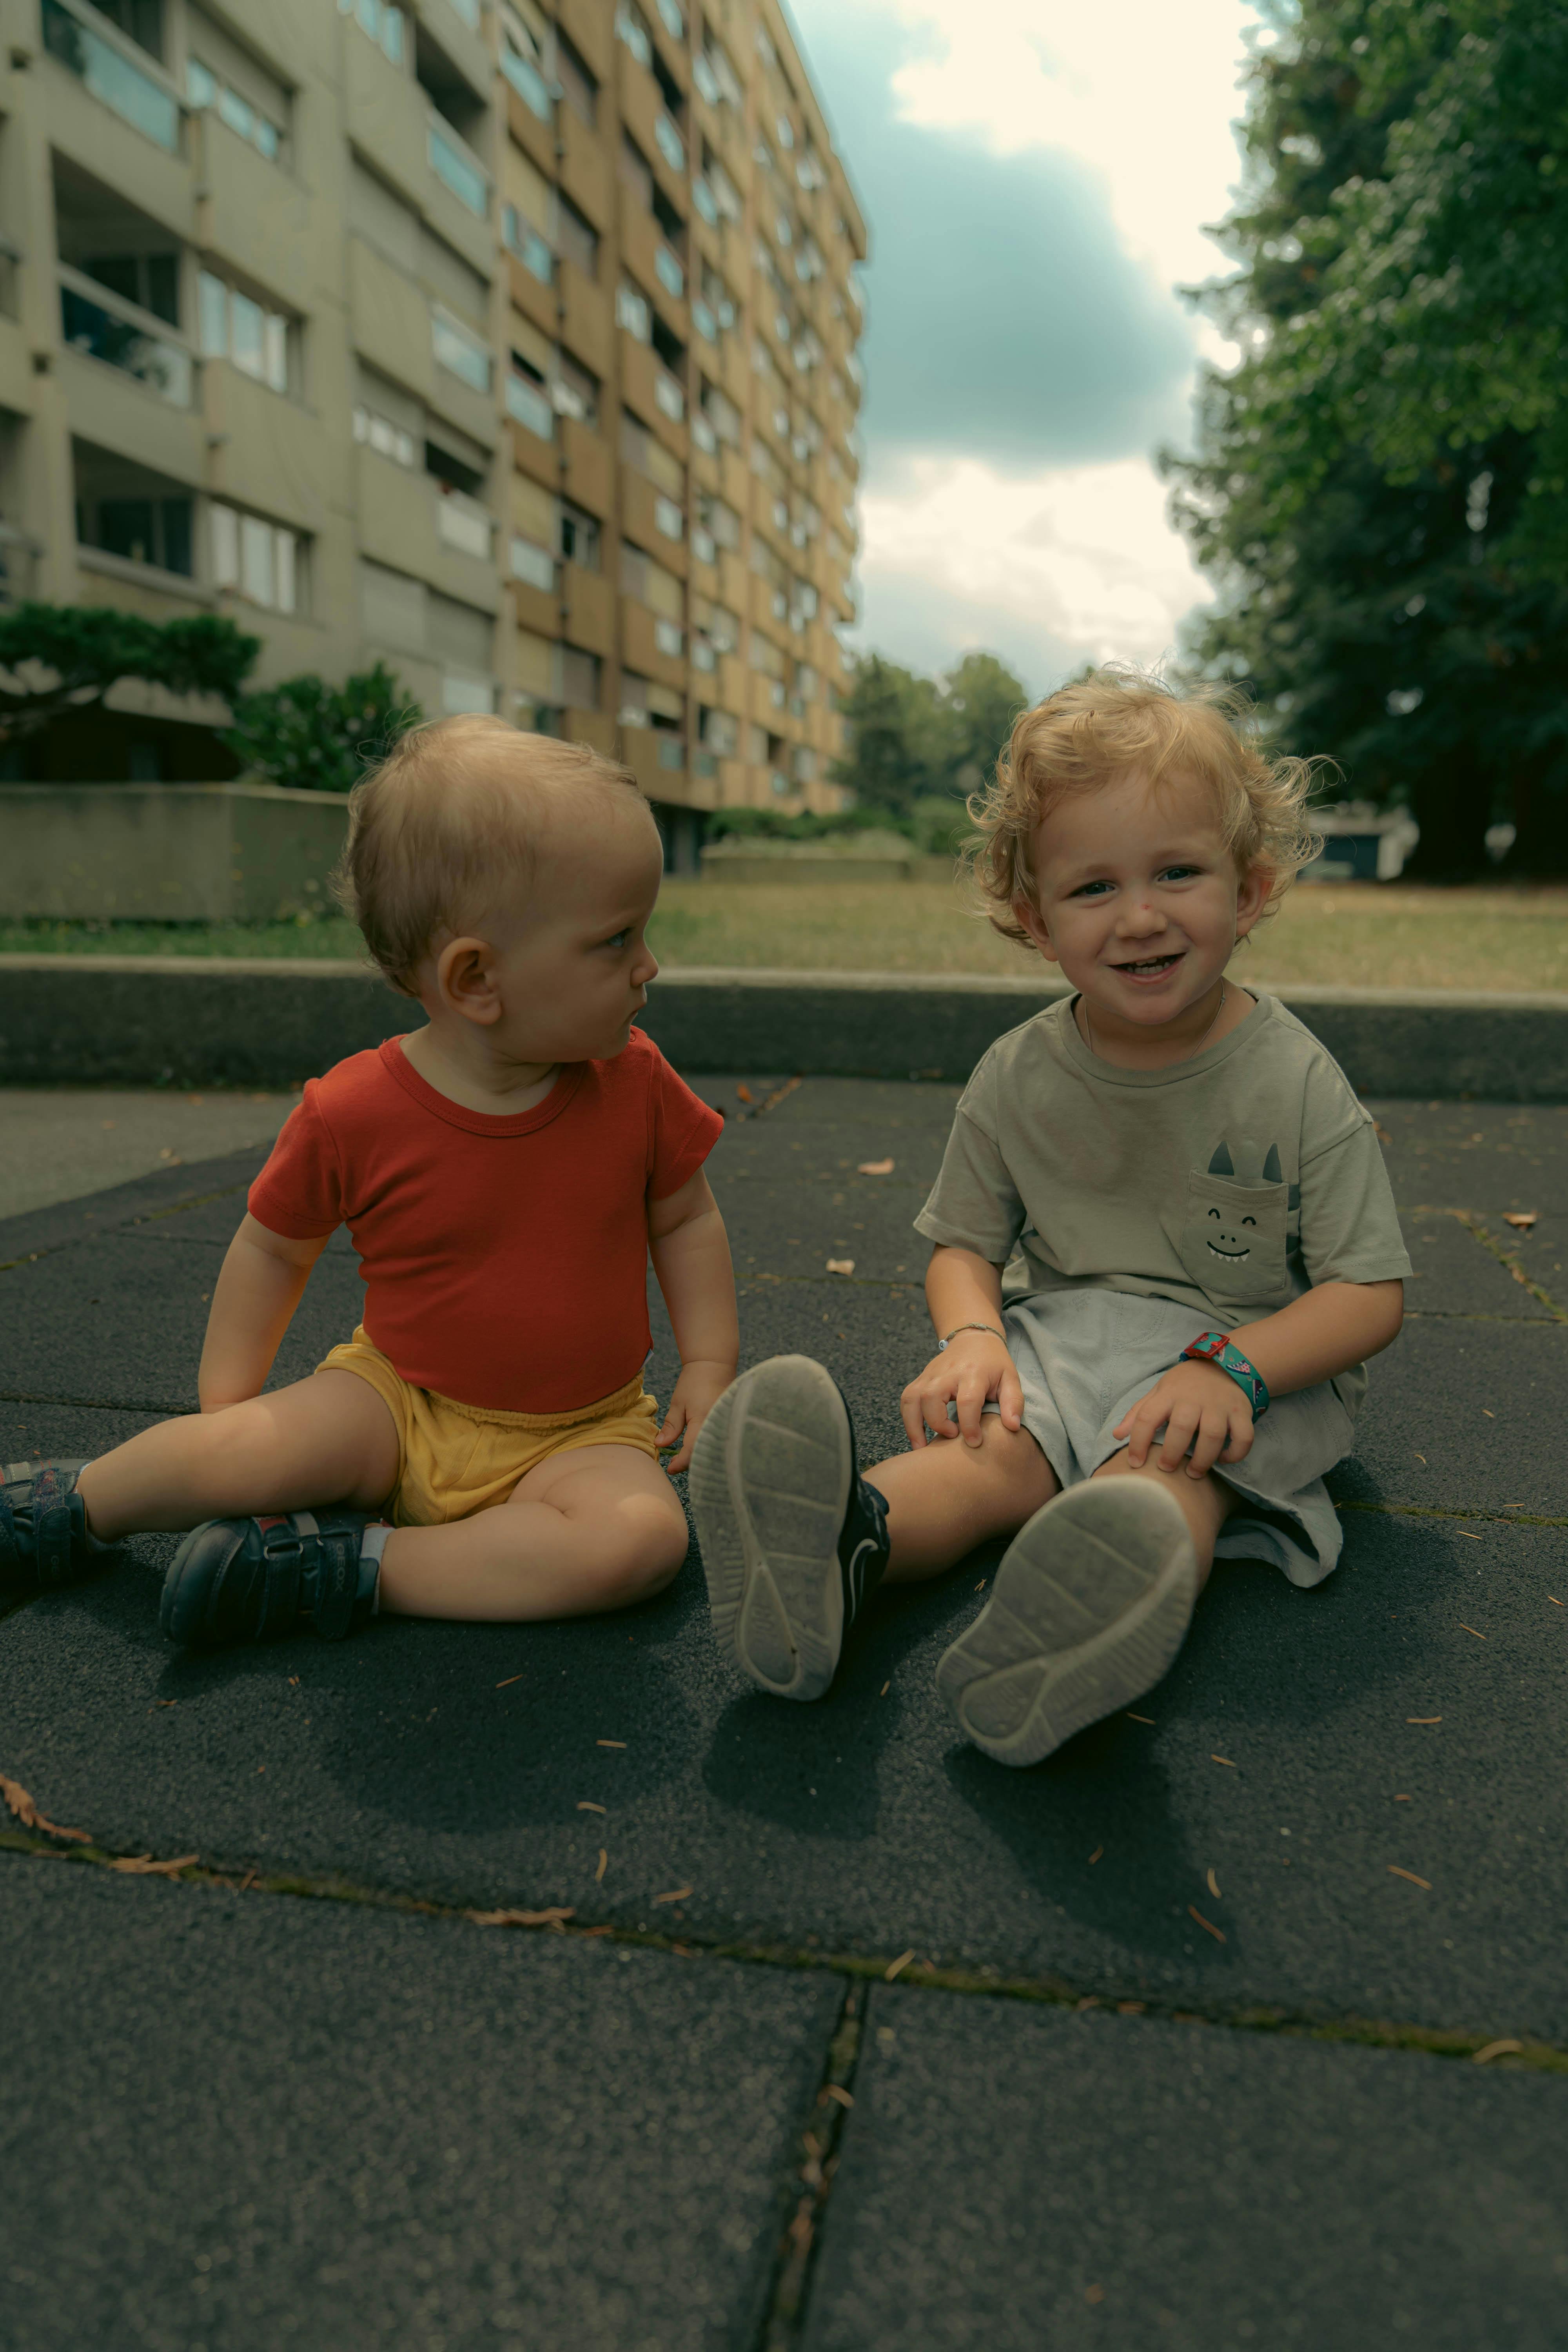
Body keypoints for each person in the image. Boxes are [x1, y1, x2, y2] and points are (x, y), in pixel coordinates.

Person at [691, 670, 1410, 1766]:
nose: (1140, 916)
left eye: (1178, 872)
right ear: (1035, 921)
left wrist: (1237, 1369)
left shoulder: (1298, 1081)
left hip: (1254, 1363)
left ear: (1251, 891)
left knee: (1165, 1472)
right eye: (1092, 890)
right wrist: (974, 1337)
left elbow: (1367, 1292)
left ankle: (1079, 1612)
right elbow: (964, 1248)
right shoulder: (1017, 1075)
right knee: (986, 1455)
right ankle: (840, 1540)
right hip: (1071, 1341)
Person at [0, 717, 735, 1644]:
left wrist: (707, 1365)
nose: (648, 964)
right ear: (476, 979)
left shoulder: (635, 1084)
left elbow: (685, 1220)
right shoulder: (354, 1109)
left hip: (581, 1434)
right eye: (617, 938)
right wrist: (233, 1405)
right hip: (394, 1402)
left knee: (638, 1545)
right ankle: (71, 1506)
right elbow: (273, 1243)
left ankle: (342, 1568)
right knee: (237, 1453)